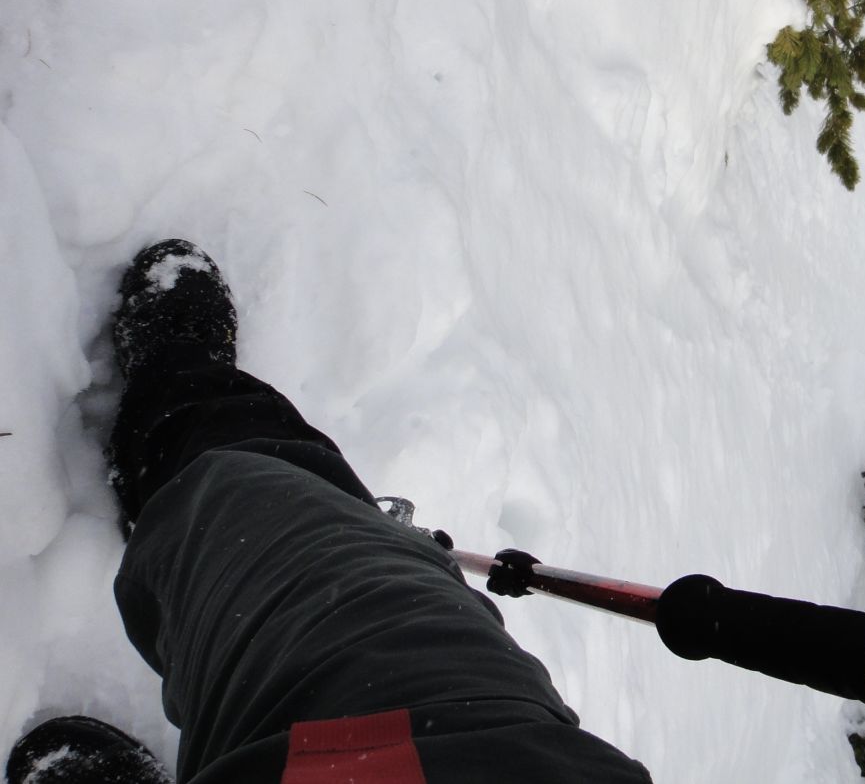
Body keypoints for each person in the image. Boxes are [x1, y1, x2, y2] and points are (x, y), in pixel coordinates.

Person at [7, 240, 653, 783]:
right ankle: (194, 431)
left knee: (261, 519)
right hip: (505, 753)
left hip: (450, 752)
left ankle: (183, 415)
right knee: (342, 579)